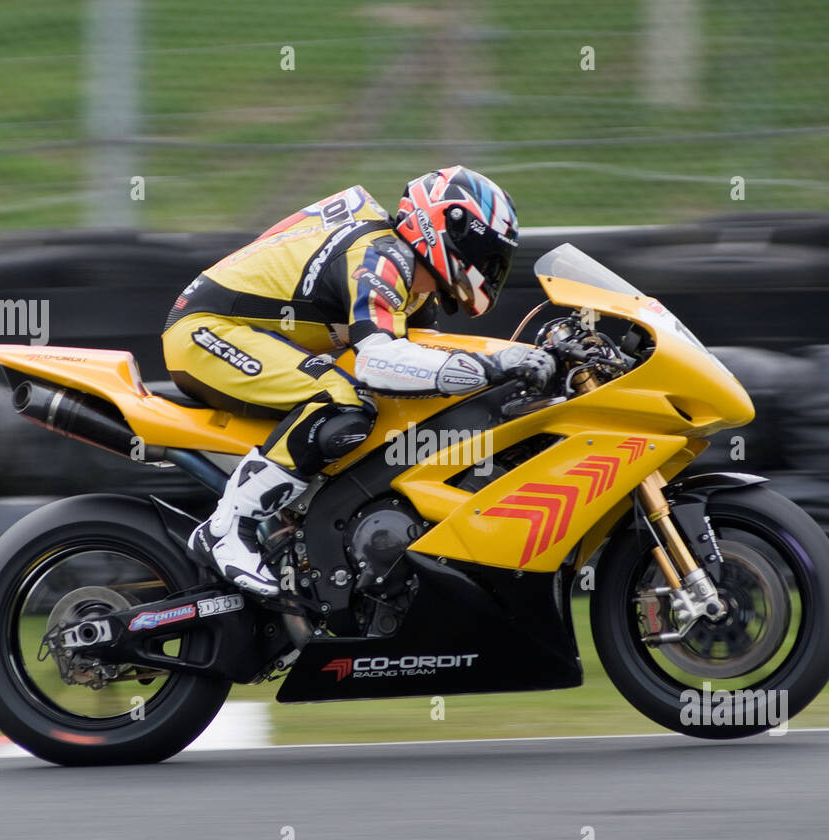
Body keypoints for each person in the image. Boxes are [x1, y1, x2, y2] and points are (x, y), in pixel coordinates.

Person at [161, 166, 555, 596]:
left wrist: (514, 365)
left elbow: (428, 357)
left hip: (245, 334)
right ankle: (227, 528)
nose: (490, 266)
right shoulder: (382, 256)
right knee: (342, 400)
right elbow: (378, 362)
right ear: (450, 227)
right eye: (487, 252)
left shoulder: (414, 285)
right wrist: (495, 365)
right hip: (206, 331)